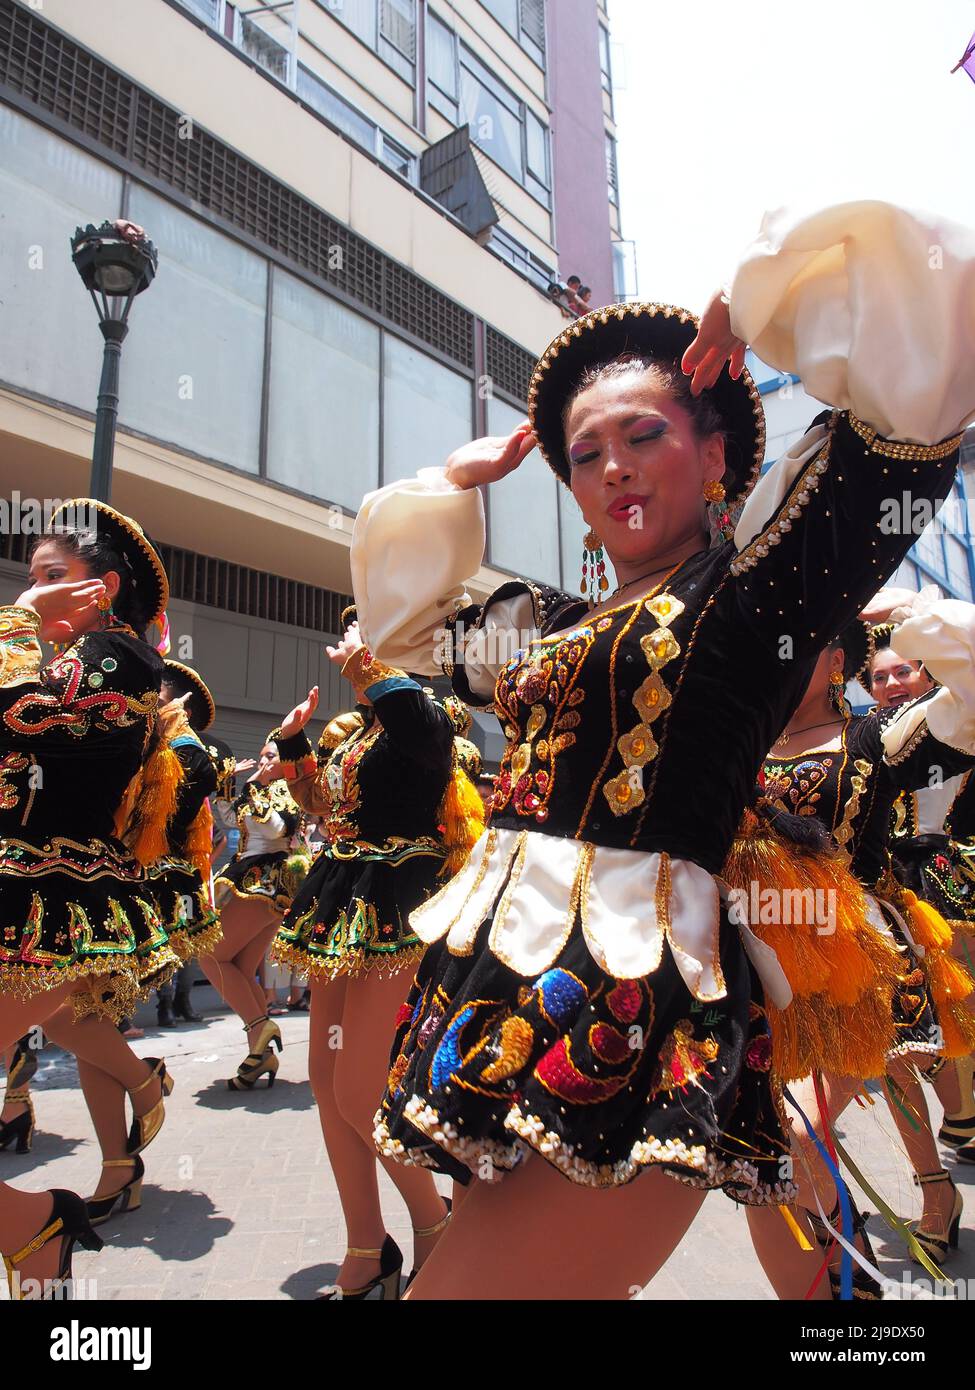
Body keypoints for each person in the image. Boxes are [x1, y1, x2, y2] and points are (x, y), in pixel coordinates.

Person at [352, 198, 975, 1300]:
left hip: (633, 1030)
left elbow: (923, 385)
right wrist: (453, 487)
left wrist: (770, 293)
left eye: (646, 435)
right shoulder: (547, 626)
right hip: (503, 1012)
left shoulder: (750, 597)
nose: (613, 470)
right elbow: (403, 627)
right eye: (585, 454)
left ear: (717, 450)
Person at [0, 500, 218, 1297]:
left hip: (50, 909)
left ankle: (37, 1224)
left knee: (80, 1028)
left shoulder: (118, 659)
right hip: (21, 895)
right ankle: (32, 1229)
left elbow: (20, 723)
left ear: (103, 588)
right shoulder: (62, 658)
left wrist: (17, 622)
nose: (38, 594)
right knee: (73, 1032)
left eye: (54, 578)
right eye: (31, 582)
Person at [741, 597, 975, 1296]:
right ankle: (853, 1257)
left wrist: (912, 619)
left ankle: (850, 1272)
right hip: (758, 955)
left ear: (837, 660)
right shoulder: (742, 739)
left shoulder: (876, 736)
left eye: (796, 644)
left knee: (803, 1135)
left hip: (859, 962)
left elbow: (965, 694)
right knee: (788, 1130)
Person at [272, 616, 483, 1298]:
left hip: (402, 900)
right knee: (324, 1077)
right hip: (342, 894)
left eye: (368, 625)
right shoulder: (359, 726)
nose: (352, 636)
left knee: (360, 1084)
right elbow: (328, 809)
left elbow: (427, 743)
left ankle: (432, 1225)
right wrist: (294, 743)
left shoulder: (431, 707)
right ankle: (366, 1244)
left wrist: (369, 669)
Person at [205, 734, 310, 1089]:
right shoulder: (261, 788)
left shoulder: (289, 790)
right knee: (240, 968)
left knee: (209, 955)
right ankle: (258, 1054)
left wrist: (257, 787)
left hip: (264, 885)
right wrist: (230, 781)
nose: (264, 759)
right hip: (254, 882)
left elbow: (278, 829)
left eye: (271, 755)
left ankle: (259, 1025)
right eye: (262, 753)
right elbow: (229, 819)